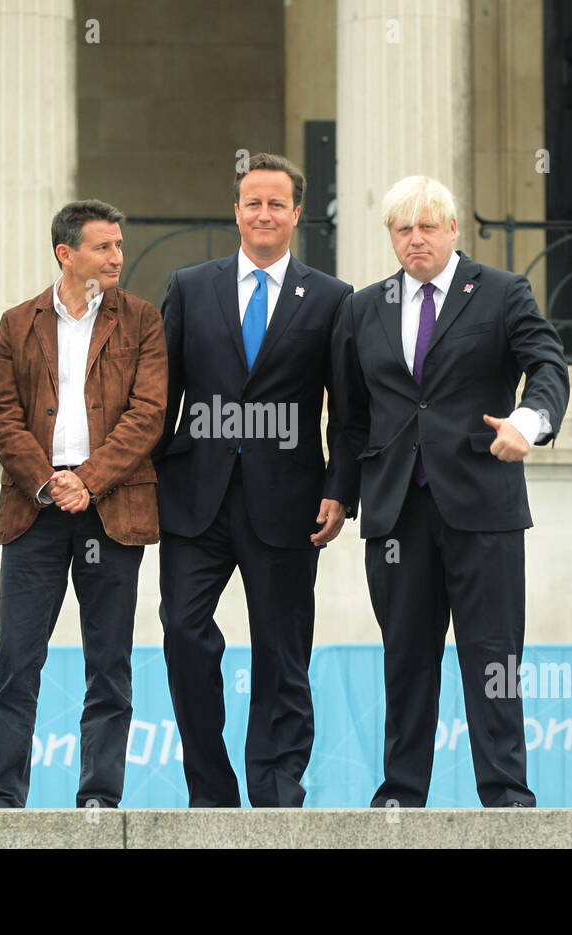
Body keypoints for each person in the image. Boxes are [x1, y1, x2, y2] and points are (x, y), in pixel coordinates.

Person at [331, 176, 570, 808]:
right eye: (402, 229)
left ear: (452, 229)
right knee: (405, 657)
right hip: (395, 512)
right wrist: (340, 495)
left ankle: (507, 793)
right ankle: (401, 795)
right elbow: (351, 419)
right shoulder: (363, 307)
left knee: (493, 659)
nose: (415, 240)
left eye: (427, 226)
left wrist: (529, 421)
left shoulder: (500, 292)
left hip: (481, 506)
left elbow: (547, 365)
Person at [155, 153, 355, 807]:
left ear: (297, 214)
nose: (263, 213)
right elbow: (160, 398)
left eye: (276, 203)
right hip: (195, 500)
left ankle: (276, 788)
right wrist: (137, 482)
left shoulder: (331, 298)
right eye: (252, 202)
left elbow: (349, 411)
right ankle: (209, 789)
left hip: (290, 502)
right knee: (184, 634)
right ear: (236, 211)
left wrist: (340, 488)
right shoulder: (189, 286)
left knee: (282, 649)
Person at [0, 199, 167, 808]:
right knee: (15, 660)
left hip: (111, 511)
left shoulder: (142, 321)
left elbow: (148, 415)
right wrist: (49, 480)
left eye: (119, 245)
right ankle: (5, 796)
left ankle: (99, 799)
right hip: (34, 510)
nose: (118, 257)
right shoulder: (16, 323)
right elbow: (2, 416)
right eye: (104, 247)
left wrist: (87, 479)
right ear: (67, 254)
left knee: (109, 663)